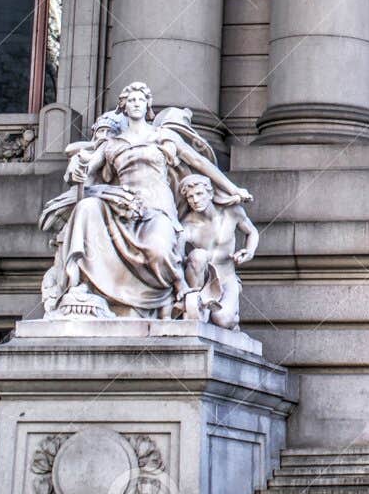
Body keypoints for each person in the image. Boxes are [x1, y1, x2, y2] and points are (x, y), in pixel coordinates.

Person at [43, 82, 251, 319]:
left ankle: (179, 285)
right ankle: (78, 284)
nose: (135, 104)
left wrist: (233, 188)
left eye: (140, 100)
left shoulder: (162, 136)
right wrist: (78, 170)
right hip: (121, 207)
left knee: (159, 249)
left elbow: (200, 163)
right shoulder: (112, 144)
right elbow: (87, 178)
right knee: (86, 207)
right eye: (130, 100)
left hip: (157, 206)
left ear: (147, 105)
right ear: (123, 106)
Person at [178, 174, 256, 329]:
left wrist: (249, 251)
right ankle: (198, 302)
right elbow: (178, 258)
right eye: (190, 197)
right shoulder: (187, 225)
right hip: (203, 280)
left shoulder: (232, 212)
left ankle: (232, 319)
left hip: (227, 278)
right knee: (198, 255)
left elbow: (252, 232)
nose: (195, 200)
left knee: (223, 320)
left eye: (199, 194)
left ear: (210, 194)